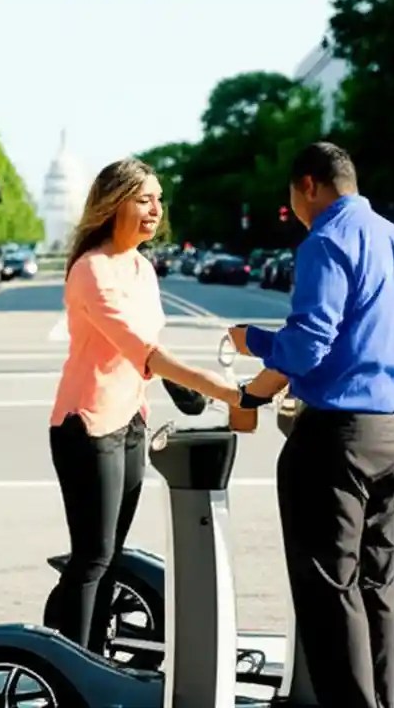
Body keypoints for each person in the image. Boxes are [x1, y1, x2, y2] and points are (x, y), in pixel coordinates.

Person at [226, 141, 394, 708]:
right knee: (376, 584)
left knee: (330, 594)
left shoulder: (326, 241)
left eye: (293, 196)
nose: (293, 207)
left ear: (309, 185)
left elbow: (308, 342)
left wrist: (254, 361)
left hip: (337, 437)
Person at [44, 157, 241, 655]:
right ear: (114, 205)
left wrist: (184, 391)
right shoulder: (92, 270)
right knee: (94, 556)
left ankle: (86, 651)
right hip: (86, 423)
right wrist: (225, 391)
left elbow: (151, 340)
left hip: (131, 420)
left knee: (111, 558)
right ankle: (73, 661)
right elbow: (142, 349)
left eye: (158, 199)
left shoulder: (141, 267)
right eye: (143, 199)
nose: (155, 209)